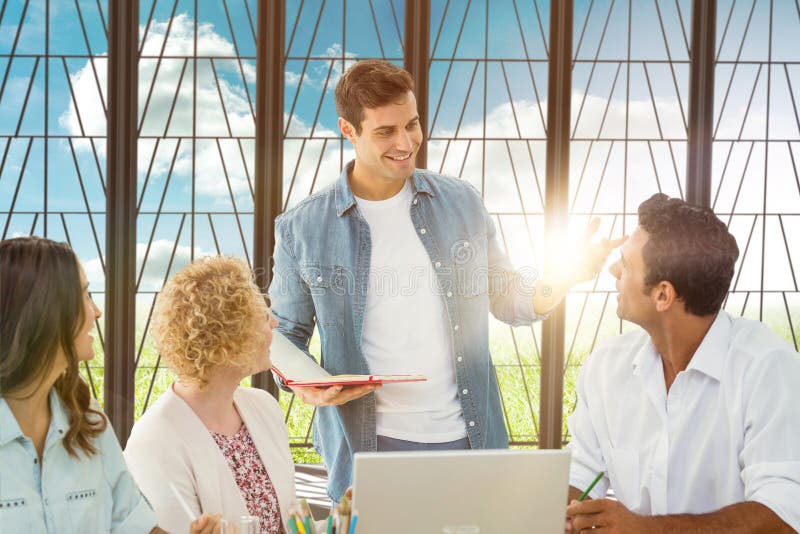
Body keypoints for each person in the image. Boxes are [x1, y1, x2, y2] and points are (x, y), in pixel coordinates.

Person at [269, 59, 623, 501]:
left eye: (412, 125)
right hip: (367, 451)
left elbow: (510, 299)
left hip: (469, 439)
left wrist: (564, 277)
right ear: (348, 130)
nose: (405, 143)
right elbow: (285, 334)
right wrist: (307, 388)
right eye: (385, 132)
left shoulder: (461, 203)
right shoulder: (301, 228)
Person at [565, 194, 800, 532]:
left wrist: (647, 530)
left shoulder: (769, 370)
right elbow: (581, 474)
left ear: (663, 294)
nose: (614, 270)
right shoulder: (605, 368)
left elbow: (783, 516)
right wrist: (566, 513)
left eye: (627, 265)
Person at [0, 236, 221, 534]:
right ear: (45, 310)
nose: (97, 311)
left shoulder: (86, 417)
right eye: (85, 294)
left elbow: (132, 524)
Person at [124, 256, 298, 534]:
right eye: (264, 316)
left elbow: (292, 523)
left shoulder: (265, 407)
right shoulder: (154, 439)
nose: (274, 323)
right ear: (229, 335)